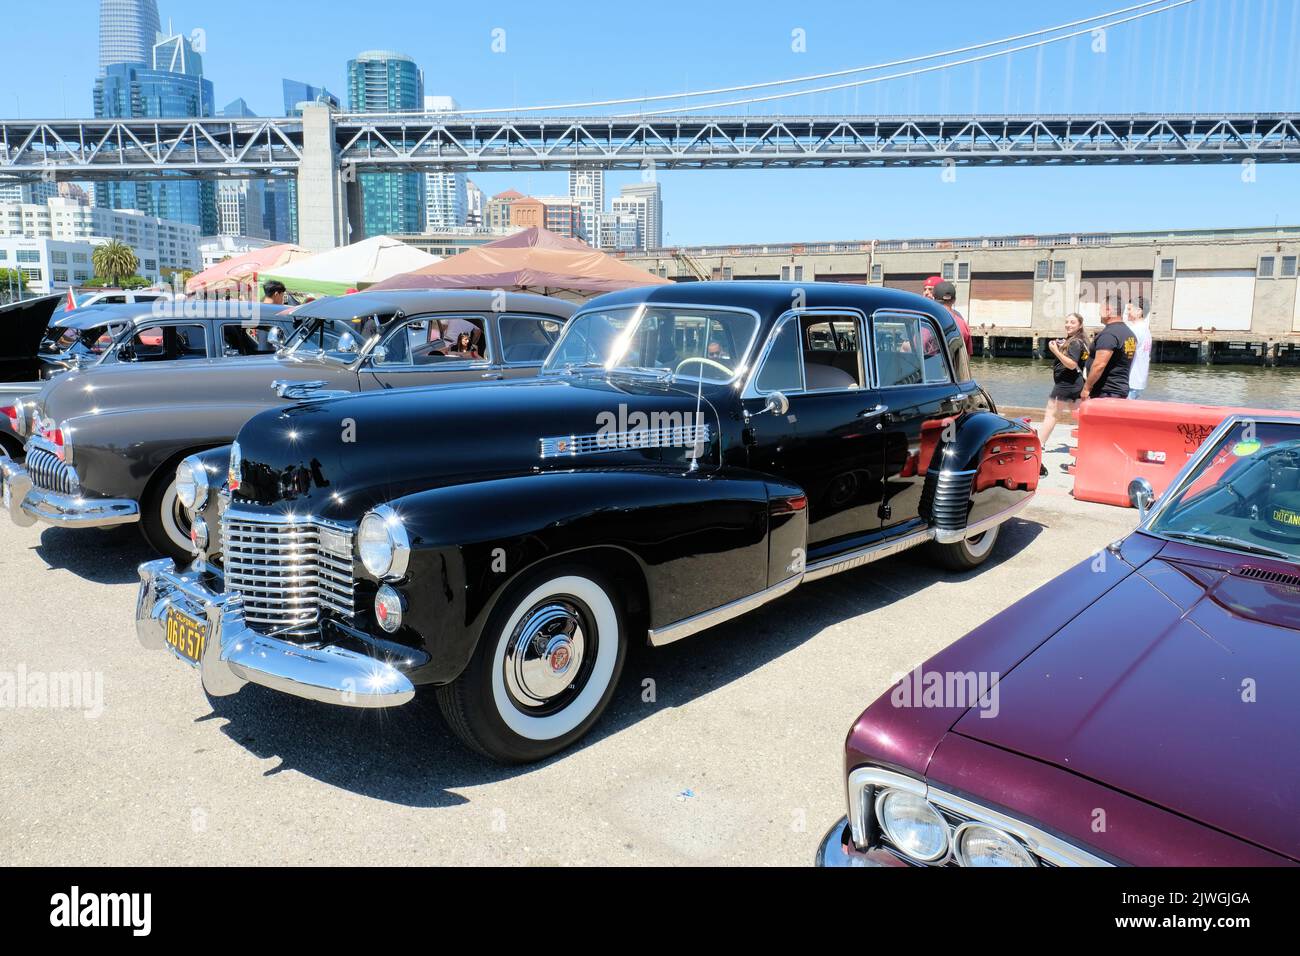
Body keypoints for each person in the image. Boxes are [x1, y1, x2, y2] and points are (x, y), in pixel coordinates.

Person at [1038, 312, 1090, 454]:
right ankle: (1090, 443)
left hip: (1066, 384)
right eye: (1067, 322)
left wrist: (1055, 350)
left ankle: (1040, 443)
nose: (1068, 325)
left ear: (1080, 324)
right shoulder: (1081, 340)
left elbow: (1072, 364)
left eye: (1072, 322)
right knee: (1081, 417)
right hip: (1077, 383)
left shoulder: (1074, 342)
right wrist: (1063, 346)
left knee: (1051, 414)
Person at [1080, 297, 1137, 401]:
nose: (1099, 314)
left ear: (1108, 310)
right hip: (1119, 390)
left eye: (1100, 310)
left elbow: (1099, 365)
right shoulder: (1129, 334)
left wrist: (1086, 388)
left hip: (1106, 392)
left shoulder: (1109, 335)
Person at [931, 279, 974, 356]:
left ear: (934, 299)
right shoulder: (963, 324)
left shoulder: (931, 322)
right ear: (954, 300)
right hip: (955, 367)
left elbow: (913, 347)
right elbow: (967, 356)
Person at [1125, 298, 1152, 399]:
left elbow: (1126, 354)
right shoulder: (1146, 329)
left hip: (1130, 381)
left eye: (1129, 309)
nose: (1127, 312)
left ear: (1139, 311)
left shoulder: (1134, 330)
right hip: (1139, 381)